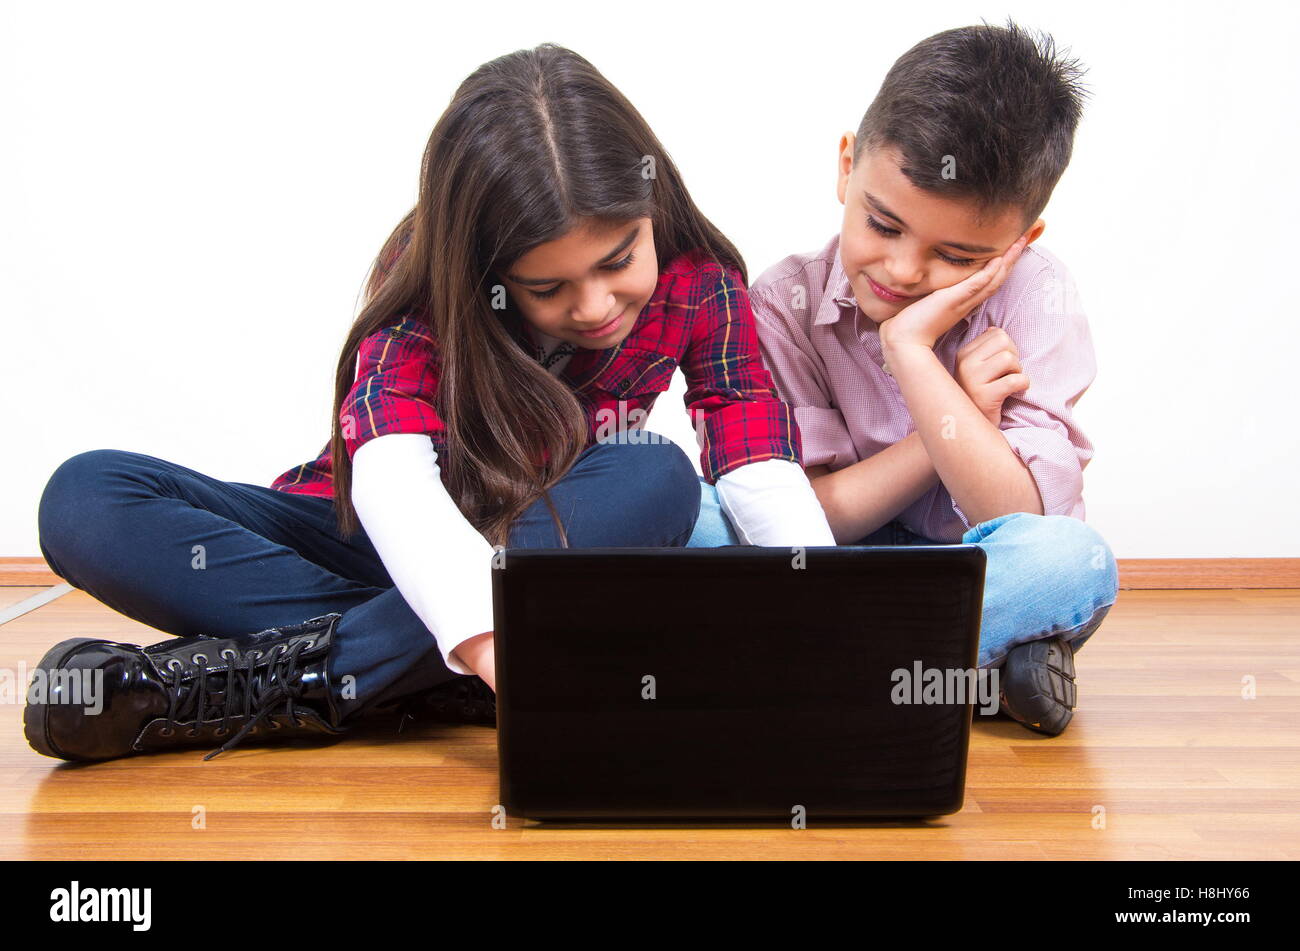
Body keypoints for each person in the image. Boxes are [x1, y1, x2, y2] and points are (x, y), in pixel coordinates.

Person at [27, 43, 833, 763]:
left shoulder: (702, 279)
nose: (594, 307)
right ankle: (424, 670)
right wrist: (486, 642)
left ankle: (290, 678)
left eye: (618, 260)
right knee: (87, 497)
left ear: (651, 206)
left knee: (654, 476)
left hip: (530, 544)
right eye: (547, 287)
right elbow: (388, 470)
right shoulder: (431, 272)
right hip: (366, 540)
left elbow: (754, 452)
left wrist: (835, 617)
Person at [687, 21, 1120, 735]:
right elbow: (805, 515)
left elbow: (1018, 517)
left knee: (1073, 559)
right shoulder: (783, 302)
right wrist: (947, 428)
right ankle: (957, 674)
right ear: (847, 166)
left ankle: (813, 663)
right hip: (827, 564)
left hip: (971, 567)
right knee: (696, 513)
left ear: (1020, 243)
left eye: (956, 256)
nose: (903, 271)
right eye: (883, 226)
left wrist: (914, 354)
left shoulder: (1037, 296)